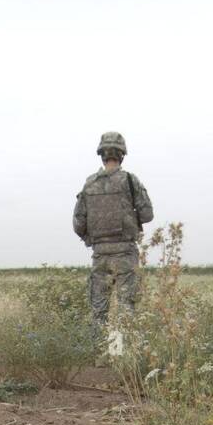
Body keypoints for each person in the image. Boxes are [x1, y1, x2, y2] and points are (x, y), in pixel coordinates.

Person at [72, 132, 153, 341]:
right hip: (125, 254)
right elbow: (147, 214)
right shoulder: (129, 180)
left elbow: (78, 223)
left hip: (99, 255)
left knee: (100, 310)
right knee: (126, 307)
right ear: (122, 155)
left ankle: (102, 357)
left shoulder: (89, 184)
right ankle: (121, 356)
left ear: (101, 155)